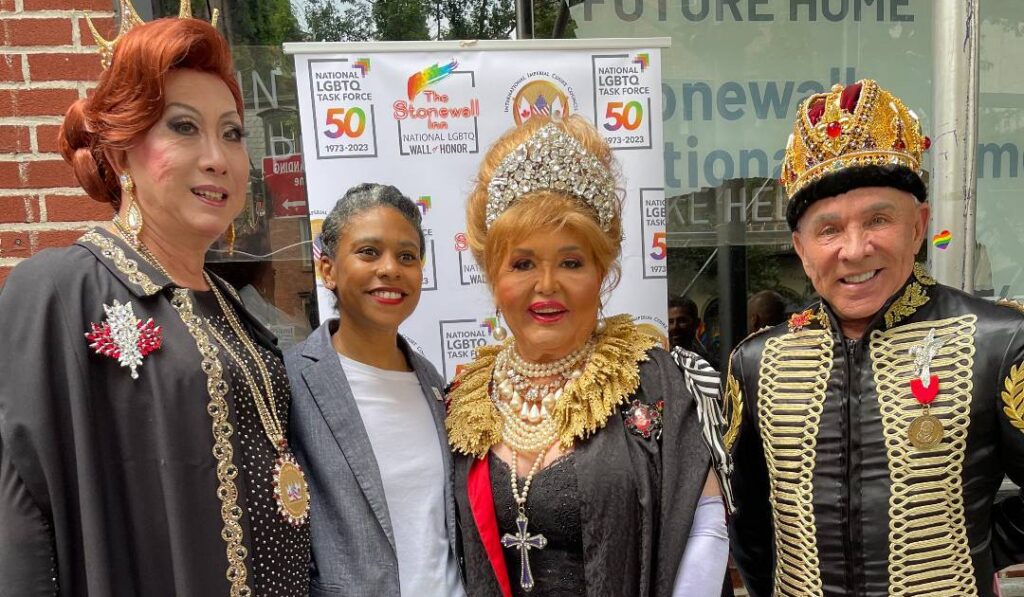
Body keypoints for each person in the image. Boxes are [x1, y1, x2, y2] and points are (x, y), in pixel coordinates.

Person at [0, 12, 310, 596]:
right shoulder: (61, 291)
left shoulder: (231, 305)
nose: (218, 156)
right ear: (121, 153)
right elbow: (20, 517)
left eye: (233, 132)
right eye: (184, 127)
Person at [726, 79, 1024, 597]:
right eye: (828, 230)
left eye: (878, 220)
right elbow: (748, 524)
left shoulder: (998, 342)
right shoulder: (755, 361)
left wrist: (974, 549)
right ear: (801, 248)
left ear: (918, 227)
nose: (855, 250)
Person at [446, 115, 729, 596]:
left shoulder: (657, 381)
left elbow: (707, 529)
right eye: (523, 263)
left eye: (571, 262)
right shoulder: (466, 401)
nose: (547, 285)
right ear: (493, 276)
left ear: (603, 271)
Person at [284, 183, 465, 597]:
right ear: (327, 269)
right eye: (369, 252)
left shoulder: (435, 384)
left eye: (407, 256)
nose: (390, 269)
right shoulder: (291, 382)